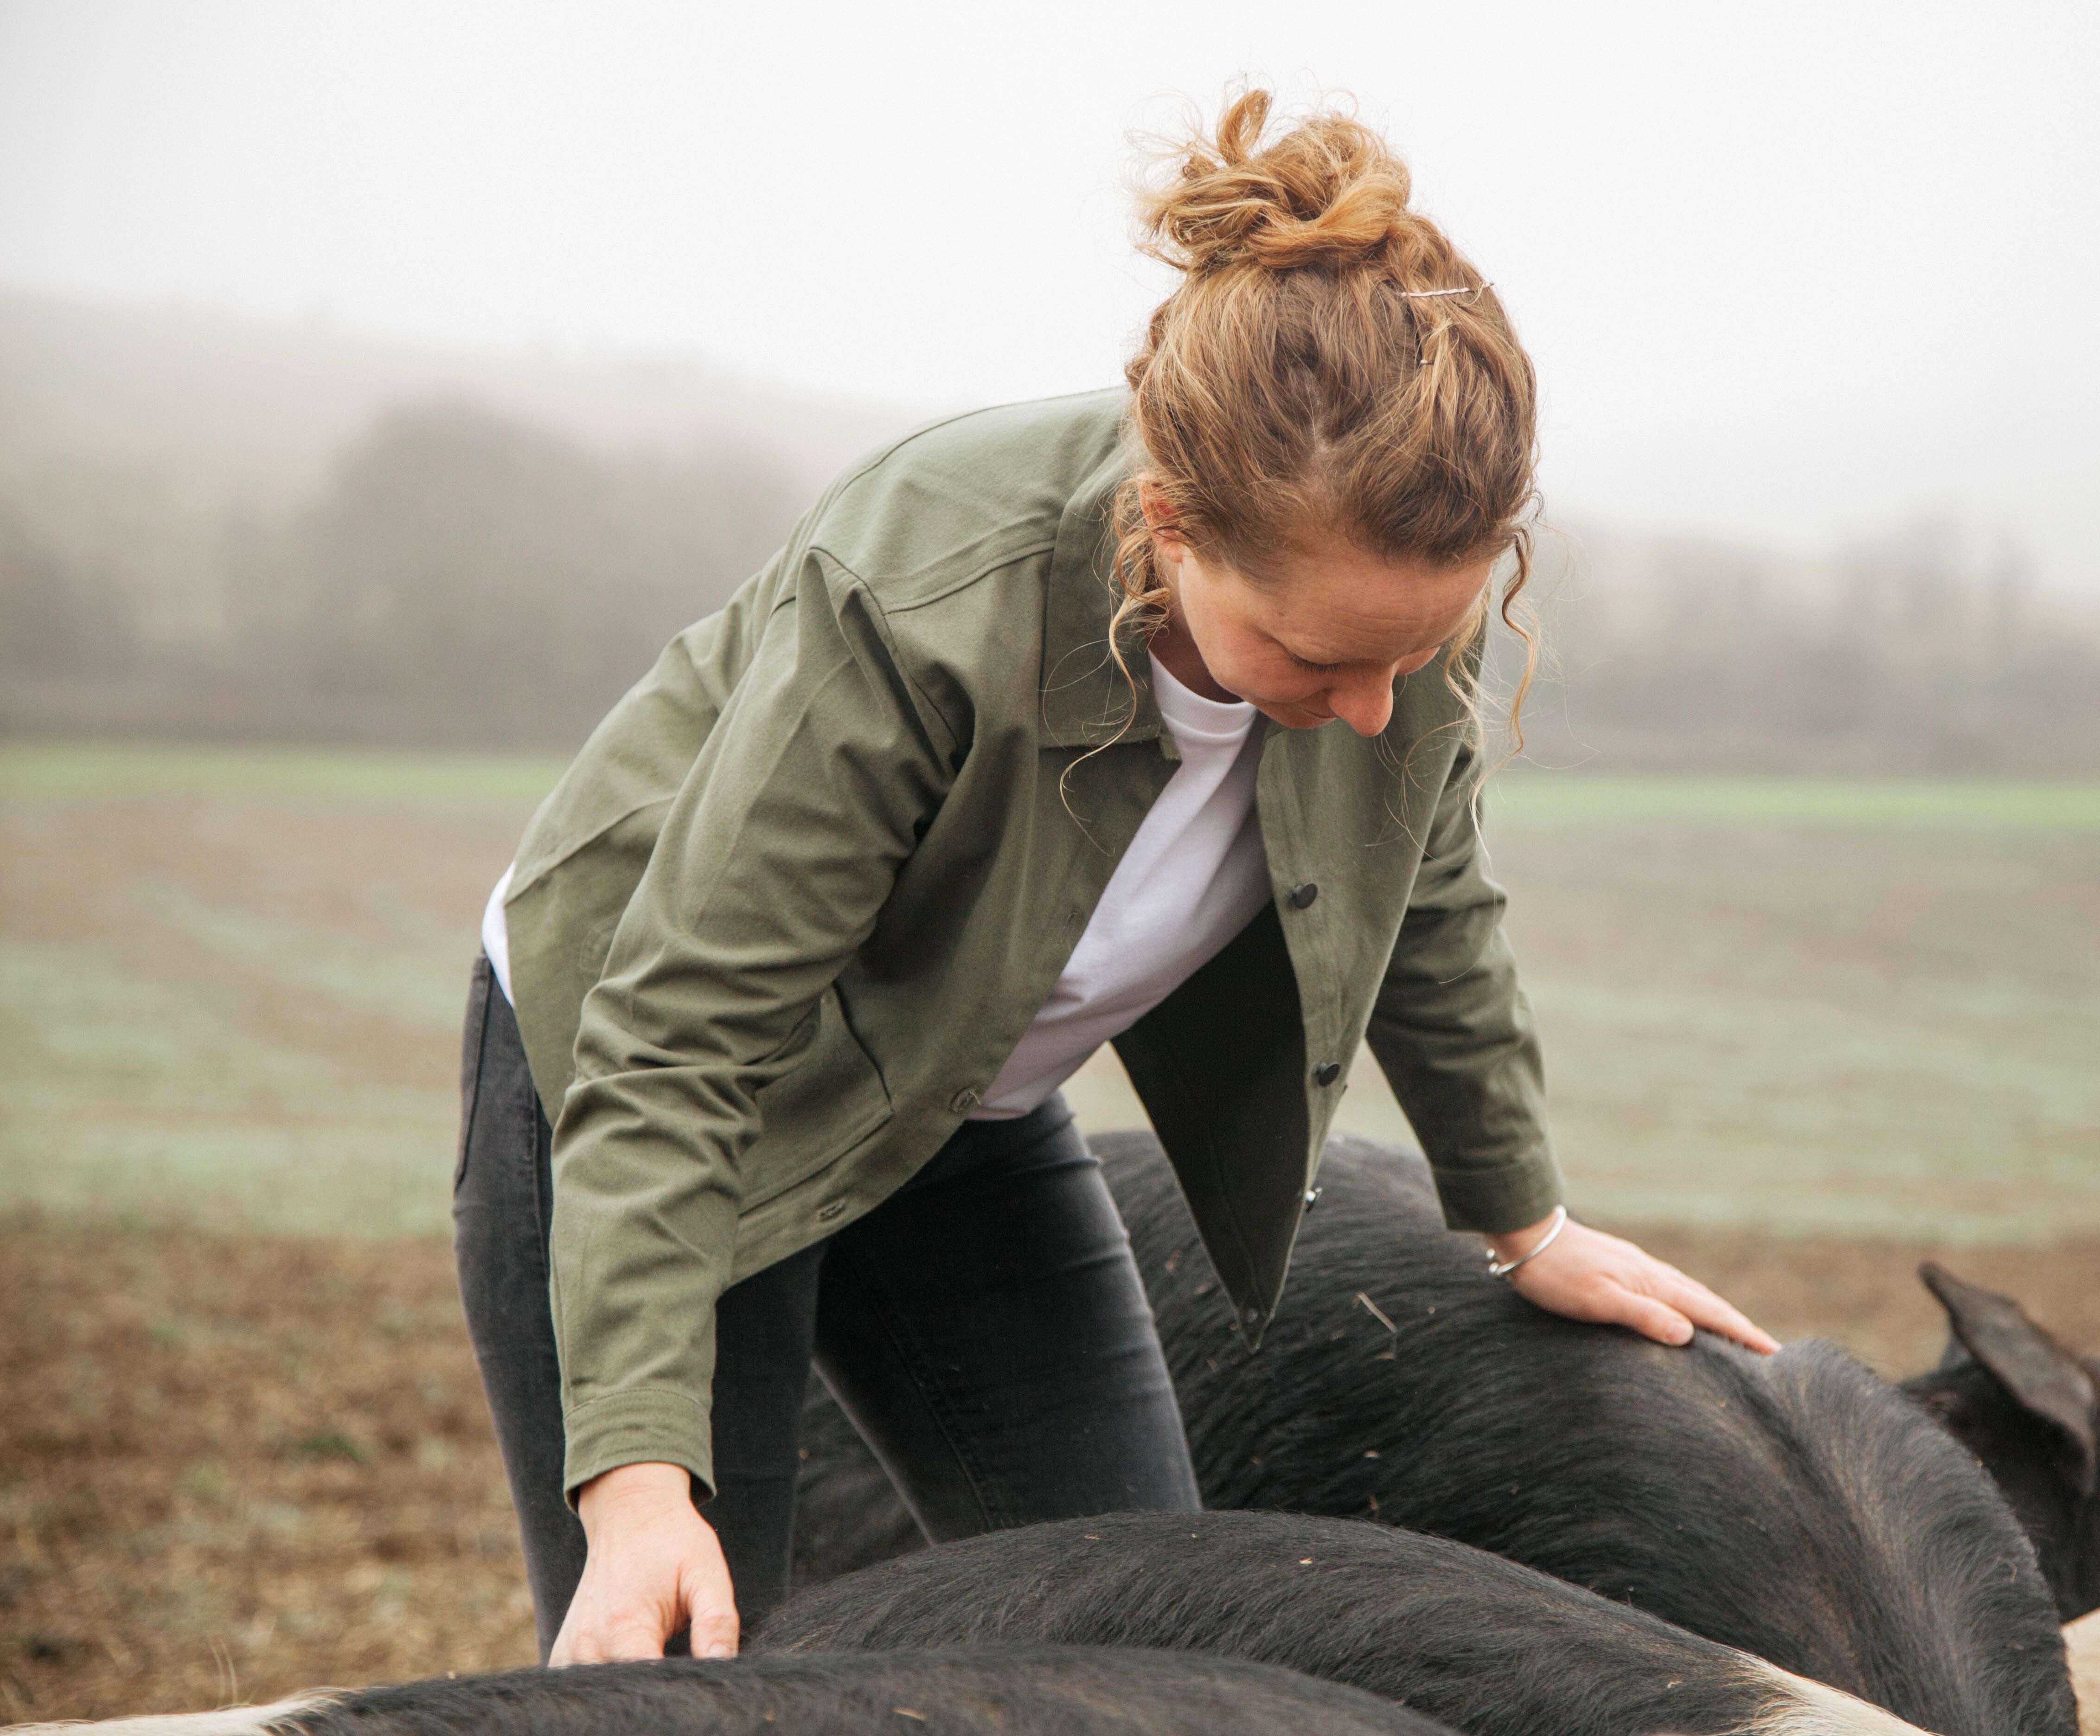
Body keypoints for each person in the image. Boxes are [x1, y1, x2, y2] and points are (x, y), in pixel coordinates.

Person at [453, 88, 1779, 1670]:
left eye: (1411, 656)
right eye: (1313, 655)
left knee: (1165, 1651)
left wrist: (1523, 1217)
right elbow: (678, 1040)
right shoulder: (919, 597)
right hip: (655, 1086)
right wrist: (641, 1482)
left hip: (966, 1110)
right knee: (679, 1671)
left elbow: (1424, 906)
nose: (1373, 709)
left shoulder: (1386, 604)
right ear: (1169, 523)